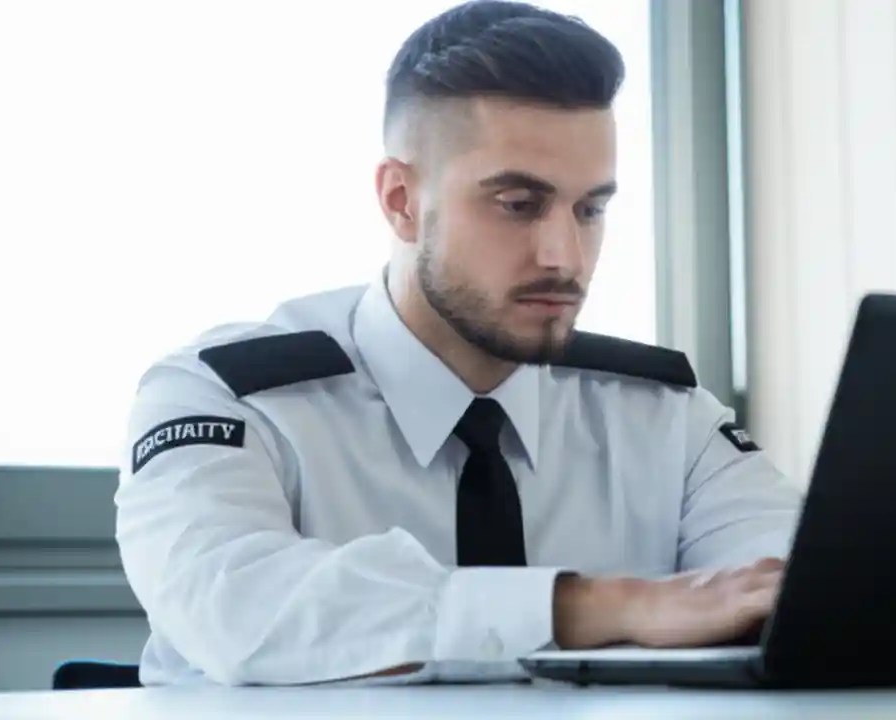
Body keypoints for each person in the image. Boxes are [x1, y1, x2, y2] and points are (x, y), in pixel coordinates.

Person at [114, 0, 803, 686]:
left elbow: (792, 586)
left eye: (590, 209)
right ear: (400, 200)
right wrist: (602, 605)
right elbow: (237, 607)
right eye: (518, 205)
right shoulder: (229, 398)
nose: (565, 255)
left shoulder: (662, 417)